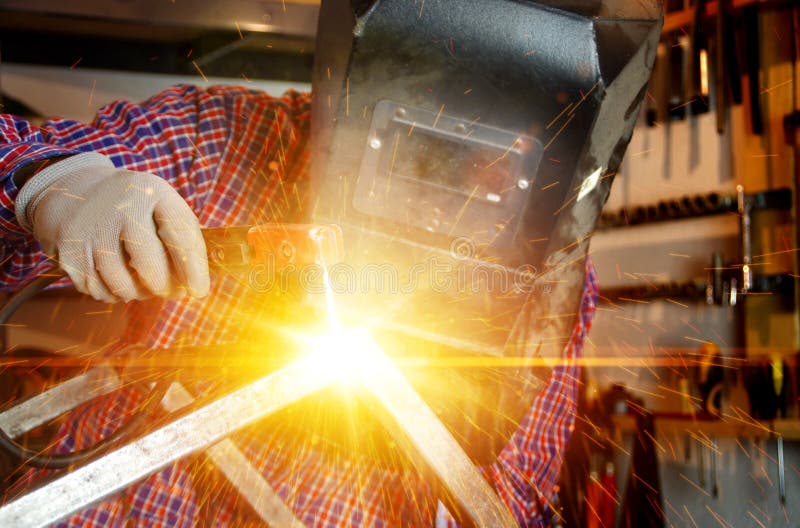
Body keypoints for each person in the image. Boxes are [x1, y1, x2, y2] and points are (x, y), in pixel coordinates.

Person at [0, 81, 597, 526]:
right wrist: (52, 188)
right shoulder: (232, 132)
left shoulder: (553, 269)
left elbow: (517, 490)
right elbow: (16, 151)